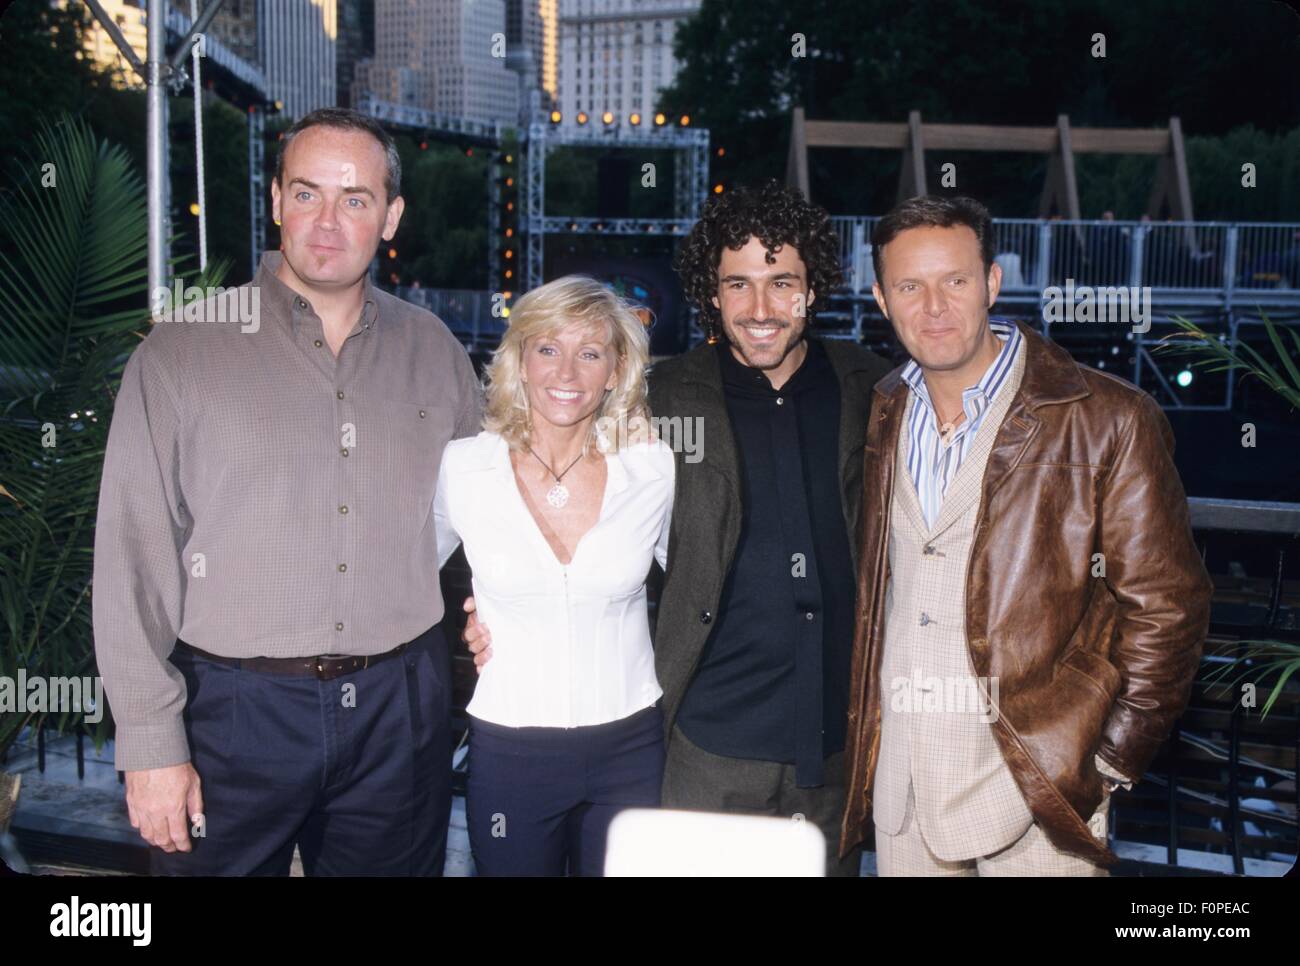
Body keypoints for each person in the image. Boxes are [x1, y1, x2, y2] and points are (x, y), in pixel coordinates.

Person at [93, 107, 482, 875]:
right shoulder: (182, 352)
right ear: (275, 201)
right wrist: (148, 744)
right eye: (307, 195)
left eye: (356, 199)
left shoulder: (435, 351)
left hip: (399, 711)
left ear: (392, 215)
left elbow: (492, 512)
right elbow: (131, 560)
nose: (328, 223)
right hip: (232, 714)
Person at [469, 179, 891, 875]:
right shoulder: (659, 402)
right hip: (704, 746)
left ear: (813, 289)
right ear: (712, 294)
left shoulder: (873, 389)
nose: (759, 309)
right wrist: (502, 615)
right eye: (737, 285)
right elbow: (559, 499)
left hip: (836, 749)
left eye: (782, 282)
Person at [839, 195, 1213, 875]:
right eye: (909, 286)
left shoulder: (1108, 418)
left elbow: (1168, 606)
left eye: (955, 281)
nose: (934, 307)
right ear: (880, 298)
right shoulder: (884, 407)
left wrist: (1106, 762)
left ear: (992, 283)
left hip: (1039, 796)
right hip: (904, 796)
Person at [434, 275, 674, 876]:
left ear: (616, 370)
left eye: (589, 353)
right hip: (510, 749)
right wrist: (457, 635)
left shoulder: (652, 466)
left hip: (630, 745)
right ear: (519, 358)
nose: (565, 373)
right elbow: (407, 580)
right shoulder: (463, 467)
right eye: (547, 349)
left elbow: (701, 582)